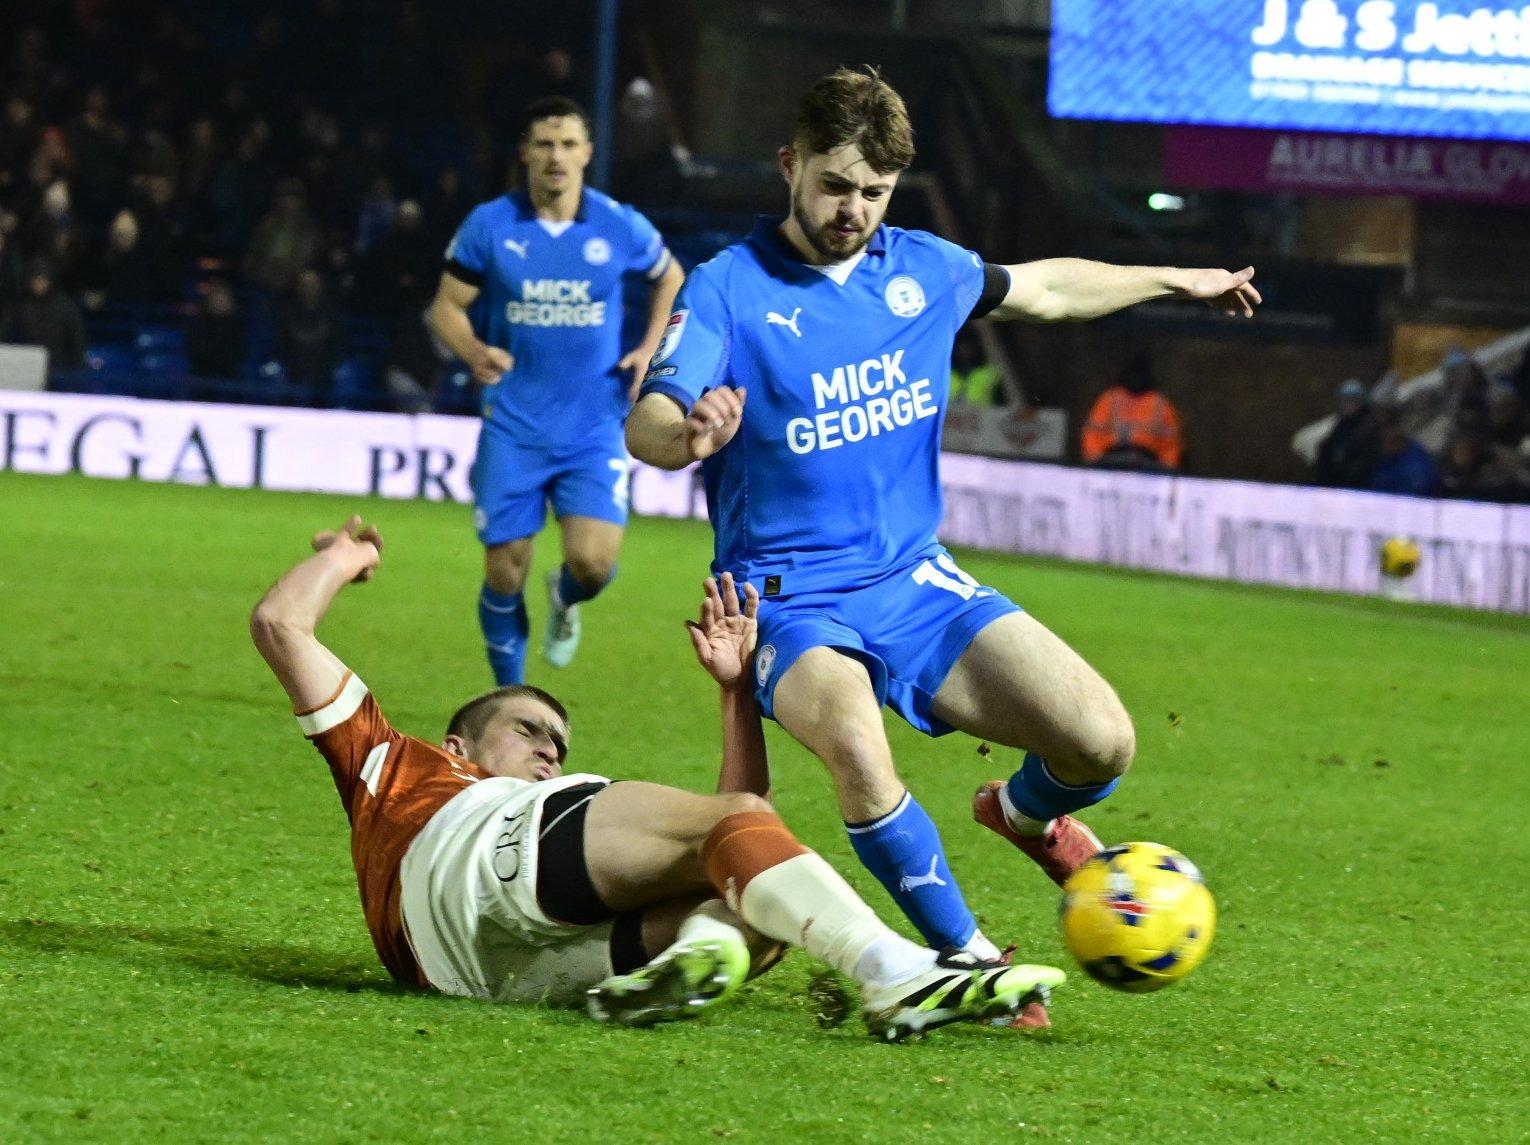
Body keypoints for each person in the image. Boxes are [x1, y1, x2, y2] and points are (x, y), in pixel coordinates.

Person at [626, 66, 1259, 1025]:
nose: (854, 210)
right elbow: (649, 423)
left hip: (916, 583)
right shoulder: (726, 290)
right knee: (855, 744)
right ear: (790, 166)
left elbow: (1048, 288)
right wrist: (688, 436)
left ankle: (1023, 814)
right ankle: (963, 958)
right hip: (786, 598)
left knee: (1102, 740)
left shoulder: (925, 269)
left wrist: (1174, 276)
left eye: (874, 192)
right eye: (835, 186)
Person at [248, 516, 1063, 1040]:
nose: (549, 752)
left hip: (471, 972)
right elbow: (281, 624)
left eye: (559, 744)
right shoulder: (398, 761)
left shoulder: (412, 787)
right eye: (528, 727)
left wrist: (735, 690)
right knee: (740, 846)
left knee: (762, 903)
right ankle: (893, 971)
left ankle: (697, 956)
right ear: (459, 743)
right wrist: (347, 553)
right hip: (476, 859)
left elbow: (751, 831)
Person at [427, 96, 687, 684]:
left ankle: (565, 598)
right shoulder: (489, 225)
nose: (556, 157)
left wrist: (652, 349)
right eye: (544, 144)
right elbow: (445, 307)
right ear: (525, 152)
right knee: (504, 573)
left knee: (593, 565)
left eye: (569, 144)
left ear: (587, 154)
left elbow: (671, 277)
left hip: (595, 423)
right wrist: (472, 351)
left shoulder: (617, 223)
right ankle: (511, 698)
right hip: (514, 422)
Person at [1079, 355, 1184, 472]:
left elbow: (1171, 446)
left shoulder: (1160, 404)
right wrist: (1095, 466)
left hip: (1147, 469)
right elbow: (1092, 436)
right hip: (1110, 466)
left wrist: (1165, 471)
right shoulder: (1109, 399)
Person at [2, 261, 85, 371]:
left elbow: (76, 338)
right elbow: (6, 334)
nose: (39, 284)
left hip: (59, 366)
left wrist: (73, 368)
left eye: (43, 280)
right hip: (26, 365)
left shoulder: (65, 307)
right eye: (36, 280)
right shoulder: (19, 306)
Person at [1312, 378, 1379, 490]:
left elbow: (1365, 462)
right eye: (1342, 401)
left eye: (1350, 401)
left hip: (1353, 488)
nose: (1344, 405)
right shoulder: (1343, 424)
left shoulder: (1367, 428)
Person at [1369, 412, 1441, 497]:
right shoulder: (1387, 457)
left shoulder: (1416, 468)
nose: (1384, 445)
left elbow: (1409, 500)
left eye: (1390, 441)